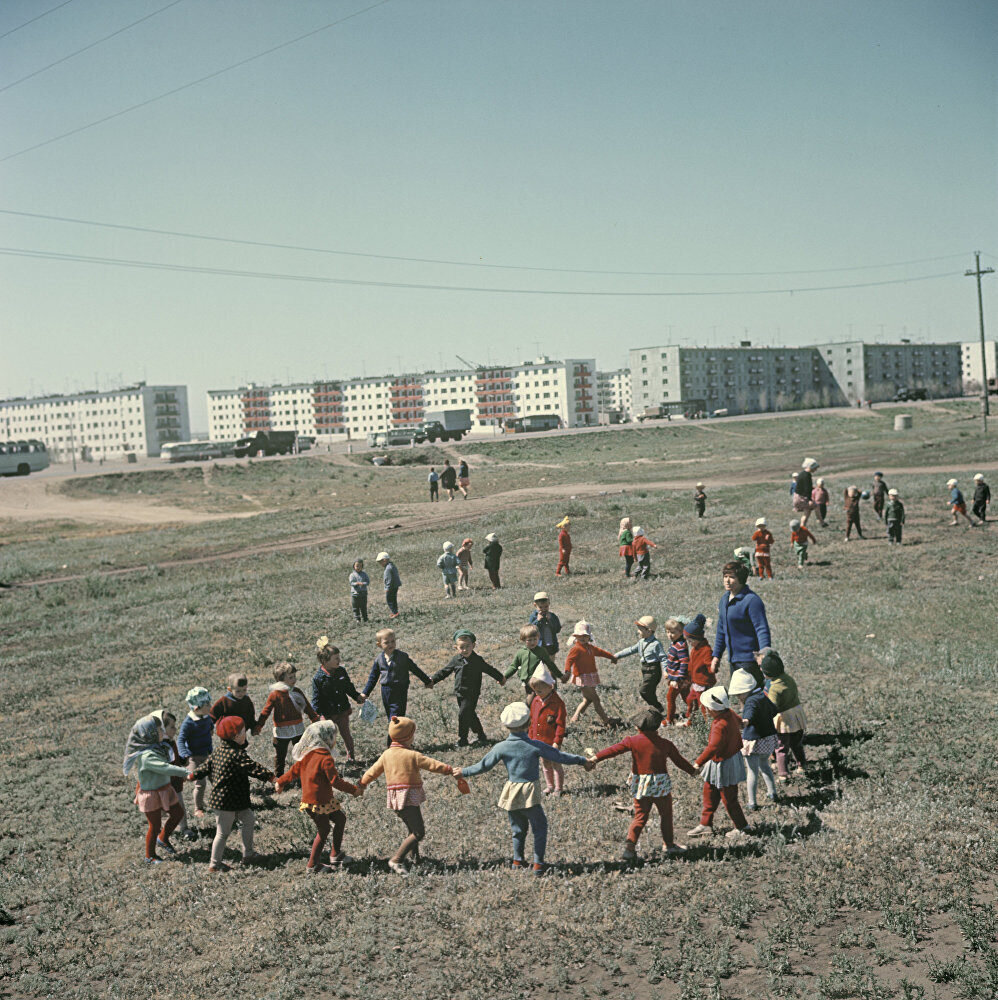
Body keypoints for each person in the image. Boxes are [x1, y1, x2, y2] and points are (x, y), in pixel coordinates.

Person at [454, 702, 594, 875]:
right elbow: (559, 756)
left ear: (506, 726)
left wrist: (463, 772)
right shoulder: (535, 745)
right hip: (529, 793)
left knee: (517, 828)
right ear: (529, 723)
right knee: (539, 827)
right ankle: (538, 865)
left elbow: (483, 766)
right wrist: (582, 760)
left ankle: (517, 860)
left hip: (511, 792)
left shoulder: (501, 747)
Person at [589, 707, 697, 860]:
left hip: (641, 784)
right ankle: (669, 845)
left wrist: (596, 758)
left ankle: (629, 849)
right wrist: (692, 771)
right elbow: (679, 761)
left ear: (638, 727)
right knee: (666, 814)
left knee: (640, 816)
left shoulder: (632, 741)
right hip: (660, 785)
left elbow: (614, 750)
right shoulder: (665, 744)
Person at [359, 715, 455, 875]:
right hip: (408, 797)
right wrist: (448, 769)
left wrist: (362, 784)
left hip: (397, 798)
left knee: (411, 827)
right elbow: (432, 765)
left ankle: (415, 858)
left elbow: (372, 772)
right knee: (418, 832)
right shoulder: (412, 755)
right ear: (409, 736)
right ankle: (396, 859)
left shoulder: (386, 754)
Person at [189, 716, 275, 872]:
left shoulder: (218, 752)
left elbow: (204, 768)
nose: (245, 735)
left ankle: (248, 854)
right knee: (222, 832)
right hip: (226, 802)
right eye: (243, 732)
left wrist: (192, 775)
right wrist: (271, 777)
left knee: (249, 819)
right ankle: (215, 864)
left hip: (234, 799)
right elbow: (253, 767)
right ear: (236, 736)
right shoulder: (237, 755)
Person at [275, 720, 362, 873]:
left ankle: (335, 855)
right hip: (318, 802)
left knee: (340, 818)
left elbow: (293, 772)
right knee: (323, 830)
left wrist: (280, 782)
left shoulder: (307, 755)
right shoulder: (325, 758)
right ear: (327, 739)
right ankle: (312, 865)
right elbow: (335, 781)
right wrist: (354, 790)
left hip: (318, 801)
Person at [124, 714, 191, 863]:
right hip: (152, 794)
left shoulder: (158, 747)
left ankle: (163, 838)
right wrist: (185, 772)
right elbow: (164, 767)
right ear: (151, 734)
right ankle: (150, 855)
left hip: (164, 789)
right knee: (154, 826)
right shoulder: (148, 755)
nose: (163, 731)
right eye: (160, 729)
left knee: (177, 813)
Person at [686, 687, 749, 840]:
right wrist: (743, 723)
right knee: (709, 790)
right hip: (721, 761)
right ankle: (705, 823)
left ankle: (742, 827)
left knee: (729, 796)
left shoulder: (720, 725)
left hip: (724, 762)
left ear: (714, 709)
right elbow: (740, 722)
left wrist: (697, 763)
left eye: (707, 707)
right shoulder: (729, 713)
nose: (706, 710)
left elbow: (713, 747)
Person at [430, 628, 506, 746]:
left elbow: (489, 669)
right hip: (460, 692)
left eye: (468, 646)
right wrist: (433, 680)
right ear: (456, 647)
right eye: (461, 647)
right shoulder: (456, 660)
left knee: (463, 714)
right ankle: (481, 735)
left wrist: (500, 677)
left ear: (473, 645)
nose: (465, 650)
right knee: (469, 714)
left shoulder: (477, 660)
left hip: (472, 693)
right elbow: (445, 671)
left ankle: (463, 739)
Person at [361, 628, 433, 742]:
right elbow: (373, 678)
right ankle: (400, 740)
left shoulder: (402, 657)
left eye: (393, 641)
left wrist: (427, 681)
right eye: (386, 642)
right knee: (392, 715)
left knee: (395, 718)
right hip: (386, 691)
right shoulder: (379, 660)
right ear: (379, 644)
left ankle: (392, 743)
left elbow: (415, 669)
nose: (390, 644)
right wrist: (365, 693)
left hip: (400, 690)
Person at [711, 560, 770, 687]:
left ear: (741, 579)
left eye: (732, 577)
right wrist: (716, 655)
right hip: (734, 660)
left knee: (753, 697)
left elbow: (761, 629)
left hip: (750, 660)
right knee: (741, 695)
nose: (727, 580)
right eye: (725, 576)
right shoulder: (724, 600)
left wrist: (763, 655)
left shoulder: (751, 600)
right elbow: (721, 629)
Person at [255, 662, 320, 778]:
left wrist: (314, 718)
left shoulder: (297, 691)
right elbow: (266, 711)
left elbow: (306, 706)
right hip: (282, 731)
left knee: (302, 751)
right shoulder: (275, 694)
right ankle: (279, 778)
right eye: (290, 677)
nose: (294, 679)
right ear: (280, 680)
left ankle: (305, 774)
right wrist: (259, 725)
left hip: (298, 728)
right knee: (280, 755)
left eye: (294, 676)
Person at [728, 668, 779, 811]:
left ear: (745, 690)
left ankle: (752, 802)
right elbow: (774, 710)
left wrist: (740, 722)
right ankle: (772, 792)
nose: (738, 697)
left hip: (754, 741)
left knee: (752, 771)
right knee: (765, 766)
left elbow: (747, 719)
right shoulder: (763, 696)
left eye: (739, 694)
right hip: (768, 739)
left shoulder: (750, 702)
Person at [311, 637, 366, 763]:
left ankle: (351, 758)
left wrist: (356, 696)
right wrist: (318, 715)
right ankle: (328, 761)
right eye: (336, 658)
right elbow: (316, 699)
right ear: (325, 661)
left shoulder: (341, 671)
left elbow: (348, 687)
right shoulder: (318, 678)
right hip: (328, 713)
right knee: (328, 738)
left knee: (346, 734)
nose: (339, 660)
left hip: (342, 710)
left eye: (339, 657)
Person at [758, 649, 807, 783]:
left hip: (783, 719)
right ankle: (802, 766)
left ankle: (783, 774)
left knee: (781, 746)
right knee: (796, 743)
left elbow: (771, 707)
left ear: (767, 673)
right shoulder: (788, 679)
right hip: (796, 715)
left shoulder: (774, 688)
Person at [563, 621, 617, 726]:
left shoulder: (590, 647)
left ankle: (575, 718)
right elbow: (569, 660)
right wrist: (567, 671)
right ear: (575, 636)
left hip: (589, 675)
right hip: (582, 677)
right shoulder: (576, 649)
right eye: (579, 636)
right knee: (596, 699)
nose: (582, 638)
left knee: (587, 700)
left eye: (585, 636)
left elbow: (601, 652)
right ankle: (606, 721)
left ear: (589, 637)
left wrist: (612, 657)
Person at [528, 666, 568, 796]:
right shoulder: (535, 701)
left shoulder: (557, 703)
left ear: (550, 687)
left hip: (551, 741)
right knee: (545, 763)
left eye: (539, 690)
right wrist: (530, 738)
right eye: (535, 691)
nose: (537, 693)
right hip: (539, 740)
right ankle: (550, 786)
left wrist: (557, 741)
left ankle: (559, 788)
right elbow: (532, 721)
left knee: (556, 763)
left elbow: (561, 725)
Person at [614, 615, 666, 713]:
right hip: (645, 669)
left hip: (653, 670)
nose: (638, 631)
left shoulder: (656, 644)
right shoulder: (641, 642)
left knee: (644, 690)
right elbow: (630, 650)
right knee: (650, 691)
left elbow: (663, 658)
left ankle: (657, 707)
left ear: (649, 631)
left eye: (640, 629)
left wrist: (666, 671)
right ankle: (655, 710)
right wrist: (617, 656)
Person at [177, 687, 214, 824]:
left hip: (207, 754)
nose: (210, 706)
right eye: (207, 705)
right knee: (199, 782)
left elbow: (210, 726)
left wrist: (211, 730)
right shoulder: (189, 722)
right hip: (193, 756)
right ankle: (198, 808)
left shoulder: (206, 717)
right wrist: (184, 755)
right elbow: (181, 739)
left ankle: (220, 801)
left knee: (215, 778)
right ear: (197, 707)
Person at [506, 624, 565, 701]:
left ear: (538, 638)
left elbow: (550, 664)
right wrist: (504, 677)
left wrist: (560, 675)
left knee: (537, 695)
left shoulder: (541, 651)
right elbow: (513, 666)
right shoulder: (521, 653)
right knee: (531, 695)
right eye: (529, 640)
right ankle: (528, 709)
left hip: (538, 679)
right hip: (526, 679)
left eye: (535, 639)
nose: (532, 642)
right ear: (523, 639)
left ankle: (532, 709)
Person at [683, 614, 715, 725]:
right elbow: (692, 664)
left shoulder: (706, 650)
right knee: (690, 700)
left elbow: (710, 666)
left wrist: (713, 667)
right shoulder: (695, 649)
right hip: (696, 682)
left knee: (704, 705)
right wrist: (688, 676)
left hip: (703, 683)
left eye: (690, 640)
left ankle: (709, 724)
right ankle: (691, 718)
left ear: (698, 638)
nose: (689, 643)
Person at [662, 618, 691, 725]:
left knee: (670, 697)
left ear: (681, 632)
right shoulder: (675, 643)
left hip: (680, 678)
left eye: (673, 632)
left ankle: (669, 720)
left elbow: (684, 663)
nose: (669, 635)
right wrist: (668, 672)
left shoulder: (680, 645)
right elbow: (673, 661)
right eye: (667, 632)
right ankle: (693, 714)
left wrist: (677, 679)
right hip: (676, 677)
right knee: (686, 696)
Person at [529, 592, 563, 662]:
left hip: (551, 643)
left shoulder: (552, 616)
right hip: (539, 645)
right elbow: (531, 631)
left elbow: (557, 629)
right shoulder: (534, 617)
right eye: (540, 607)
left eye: (546, 606)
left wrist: (550, 620)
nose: (544, 609)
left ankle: (552, 673)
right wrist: (537, 621)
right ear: (535, 605)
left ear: (549, 604)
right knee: (539, 665)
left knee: (551, 664)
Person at [376, 551, 402, 617]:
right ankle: (395, 612)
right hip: (395, 586)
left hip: (391, 587)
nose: (380, 564)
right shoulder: (392, 566)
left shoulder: (388, 568)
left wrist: (387, 588)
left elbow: (389, 580)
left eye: (380, 562)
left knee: (389, 600)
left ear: (385, 560)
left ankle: (395, 612)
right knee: (393, 599)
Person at [795, 458, 818, 528]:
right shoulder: (807, 475)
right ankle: (821, 522)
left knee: (807, 511)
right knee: (816, 506)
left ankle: (802, 526)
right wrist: (809, 499)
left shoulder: (802, 474)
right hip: (802, 497)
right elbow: (807, 488)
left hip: (798, 496)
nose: (816, 469)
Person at [349, 559, 369, 623]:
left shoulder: (364, 574)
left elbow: (368, 582)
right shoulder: (352, 575)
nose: (358, 568)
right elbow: (351, 583)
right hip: (355, 594)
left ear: (362, 567)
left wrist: (363, 583)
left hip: (363, 593)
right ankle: (358, 619)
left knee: (363, 607)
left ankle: (365, 618)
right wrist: (356, 583)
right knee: (355, 607)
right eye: (357, 566)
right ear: (354, 566)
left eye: (360, 566)